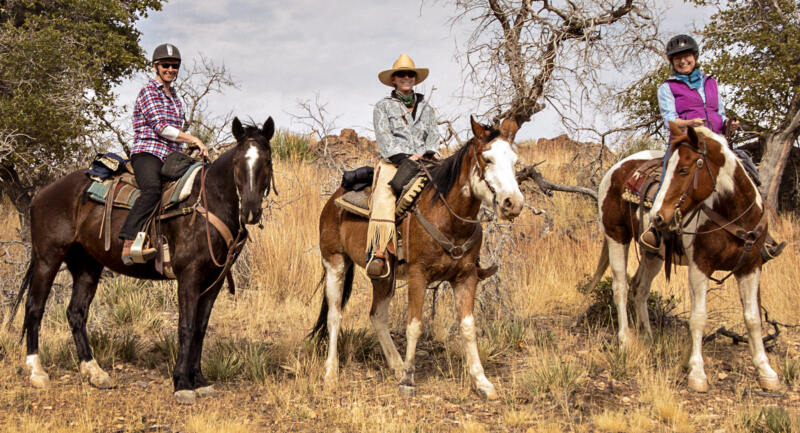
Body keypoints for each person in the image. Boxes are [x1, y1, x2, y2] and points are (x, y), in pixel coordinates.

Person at [640, 35, 784, 261]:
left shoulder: (711, 82)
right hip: (686, 143)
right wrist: (689, 124)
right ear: (672, 62)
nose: (682, 61)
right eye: (677, 58)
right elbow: (670, 119)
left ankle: (761, 232)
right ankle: (654, 229)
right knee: (670, 175)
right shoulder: (667, 88)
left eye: (686, 56)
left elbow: (721, 113)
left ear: (695, 57)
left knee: (747, 170)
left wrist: (729, 124)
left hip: (716, 142)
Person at [119, 43, 209, 265]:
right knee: (151, 190)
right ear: (156, 67)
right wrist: (194, 139)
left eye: (175, 65)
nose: (170, 69)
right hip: (148, 152)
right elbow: (161, 127)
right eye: (166, 65)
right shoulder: (149, 92)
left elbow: (173, 133)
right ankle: (129, 242)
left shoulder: (175, 97)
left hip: (170, 155)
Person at [366, 54, 441, 278]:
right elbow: (384, 138)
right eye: (401, 74)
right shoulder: (383, 107)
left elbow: (434, 135)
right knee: (385, 193)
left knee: (458, 185)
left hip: (426, 159)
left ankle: (468, 256)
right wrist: (406, 158)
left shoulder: (426, 108)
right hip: (395, 160)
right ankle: (379, 252)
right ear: (394, 79)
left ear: (415, 79)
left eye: (410, 74)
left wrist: (429, 152)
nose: (406, 77)